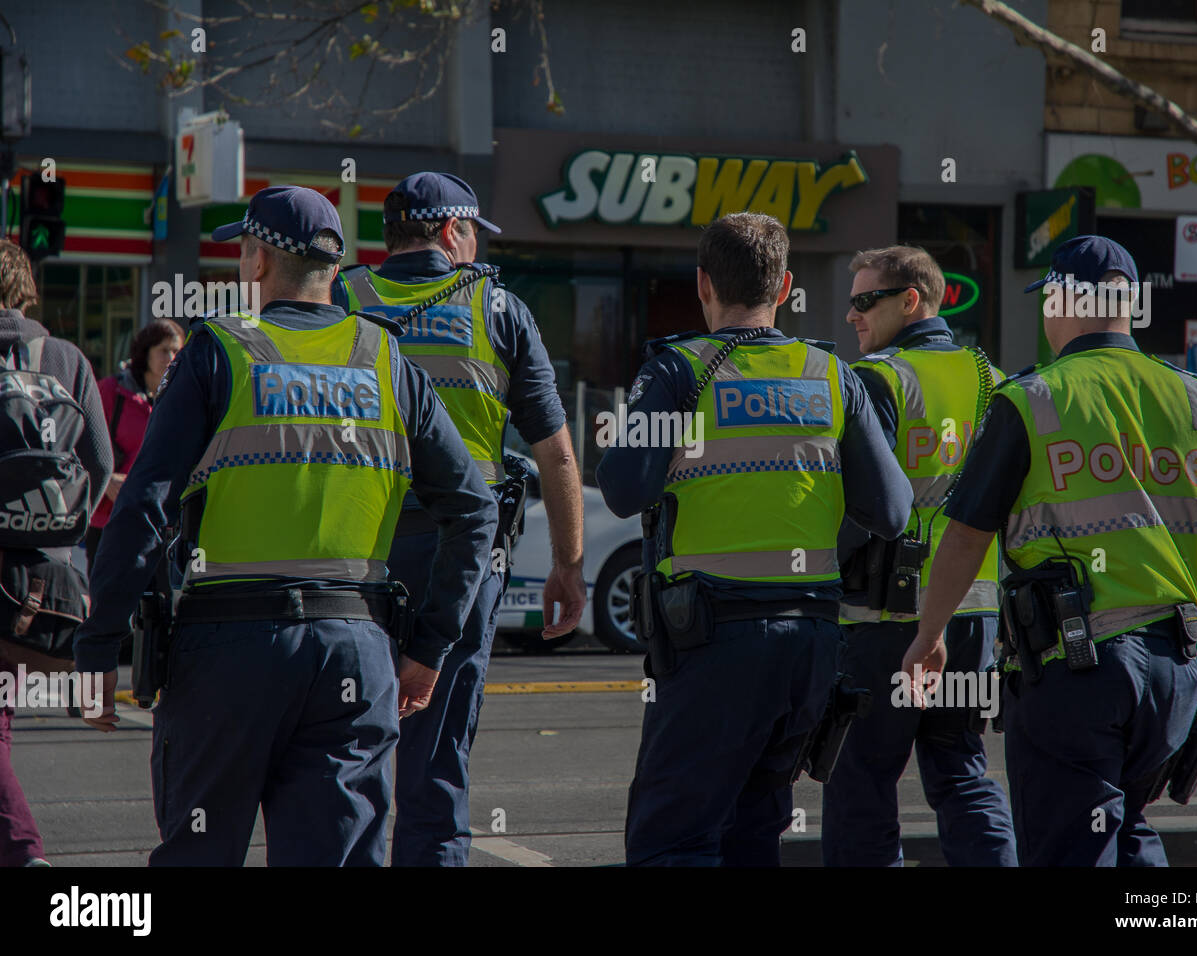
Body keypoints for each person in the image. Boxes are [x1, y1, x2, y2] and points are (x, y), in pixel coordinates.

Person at [72, 186, 498, 866]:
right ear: (334, 267)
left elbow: (144, 505)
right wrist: (431, 645)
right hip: (355, 651)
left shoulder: (219, 352)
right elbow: (475, 508)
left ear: (259, 261)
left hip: (228, 652)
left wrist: (97, 651)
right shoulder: (388, 362)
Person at [903, 235, 1197, 866]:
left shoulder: (1030, 398)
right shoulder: (1196, 398)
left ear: (1062, 300)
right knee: (1127, 832)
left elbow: (965, 536)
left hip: (1078, 673)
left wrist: (930, 633)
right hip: (1172, 674)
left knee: (1072, 846)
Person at [597, 213, 912, 866]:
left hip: (711, 641)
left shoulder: (681, 371)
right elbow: (892, 510)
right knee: (752, 831)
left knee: (673, 839)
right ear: (786, 285)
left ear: (704, 285)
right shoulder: (830, 374)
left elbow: (624, 489)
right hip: (811, 647)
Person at [334, 171, 585, 866]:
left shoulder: (343, 298)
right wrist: (567, 564)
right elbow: (557, 456)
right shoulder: (498, 309)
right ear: (453, 233)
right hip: (463, 561)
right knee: (436, 760)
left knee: (344, 752)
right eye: (473, 232)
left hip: (354, 557)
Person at [822, 245, 1016, 867]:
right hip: (973, 619)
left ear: (910, 300)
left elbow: (860, 506)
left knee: (861, 782)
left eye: (863, 301)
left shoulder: (877, 379)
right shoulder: (997, 381)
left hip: (886, 622)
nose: (851, 315)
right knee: (961, 770)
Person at [0, 240, 112, 867]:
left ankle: (24, 855)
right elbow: (98, 460)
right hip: (46, 576)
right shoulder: (64, 357)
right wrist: (57, 531)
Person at [87, 319, 183, 572]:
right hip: (110, 520)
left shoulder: (180, 397)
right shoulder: (110, 391)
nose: (171, 357)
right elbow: (79, 445)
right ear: (145, 352)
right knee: (109, 604)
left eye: (176, 351)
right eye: (164, 350)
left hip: (159, 521)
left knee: (158, 606)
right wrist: (105, 481)